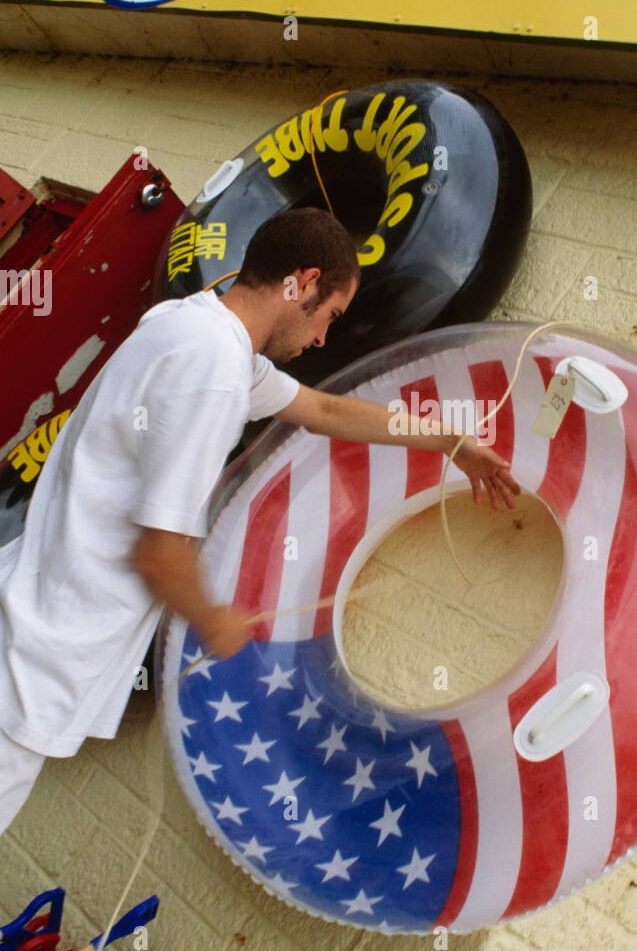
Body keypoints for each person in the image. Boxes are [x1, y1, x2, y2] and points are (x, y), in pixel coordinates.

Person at [0, 207, 520, 837]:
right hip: (36, 662)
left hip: (19, 614)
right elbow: (160, 554)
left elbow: (323, 408)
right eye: (329, 316)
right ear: (301, 283)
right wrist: (222, 625)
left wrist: (449, 442)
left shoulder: (189, 325)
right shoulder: (214, 376)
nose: (324, 339)